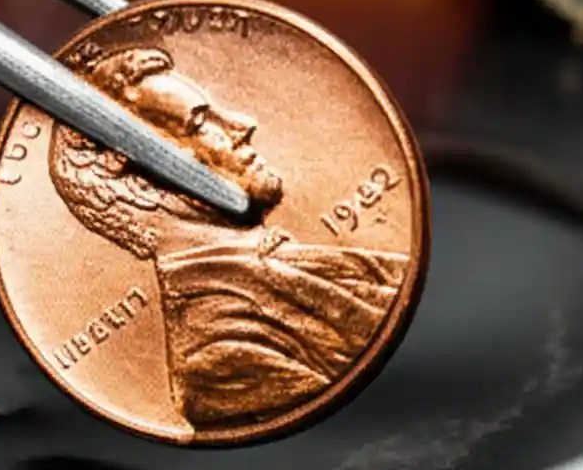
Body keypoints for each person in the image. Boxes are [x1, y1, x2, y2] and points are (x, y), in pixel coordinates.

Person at [49, 47, 408, 428]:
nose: (242, 123)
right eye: (200, 122)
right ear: (139, 183)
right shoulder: (214, 362)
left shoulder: (308, 263)